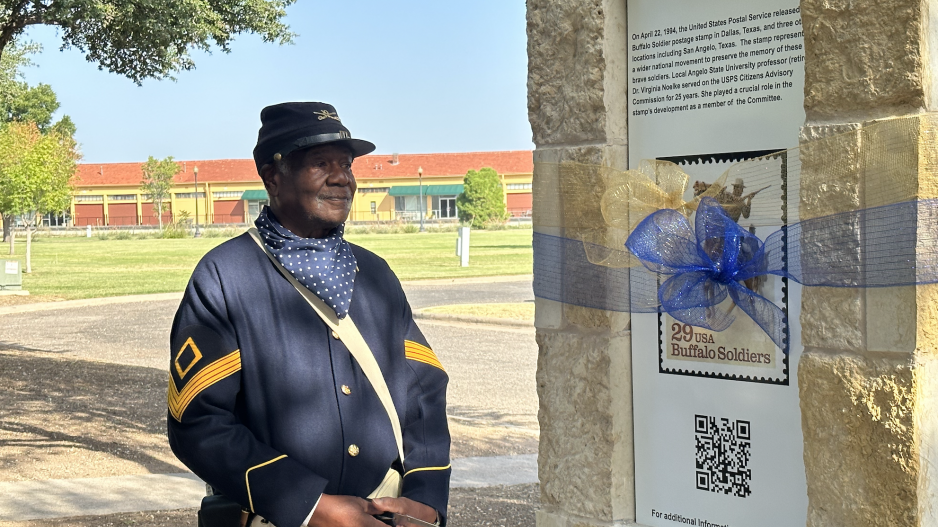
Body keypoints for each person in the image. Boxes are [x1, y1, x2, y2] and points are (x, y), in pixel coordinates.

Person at [167, 102, 451, 527]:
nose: (342, 178)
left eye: (346, 164)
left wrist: (425, 498)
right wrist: (308, 505)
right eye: (321, 163)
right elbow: (198, 421)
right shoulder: (224, 277)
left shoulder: (375, 274)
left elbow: (424, 390)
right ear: (272, 177)